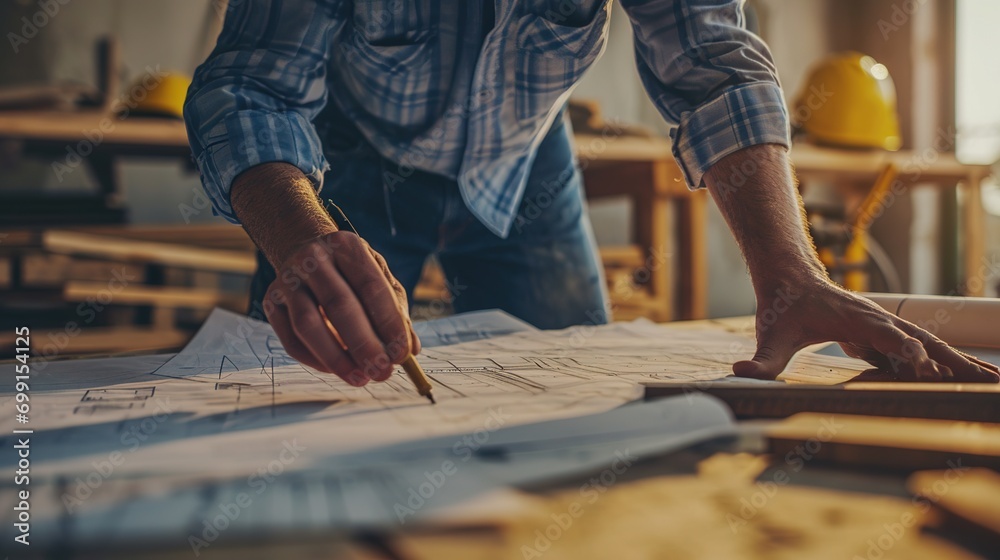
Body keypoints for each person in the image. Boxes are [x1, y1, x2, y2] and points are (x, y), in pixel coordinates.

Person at [184, 0, 999, 387]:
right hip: (341, 164)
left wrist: (791, 272)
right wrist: (298, 240)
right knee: (300, 377)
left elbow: (714, 67)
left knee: (571, 400)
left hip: (527, 157)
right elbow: (249, 91)